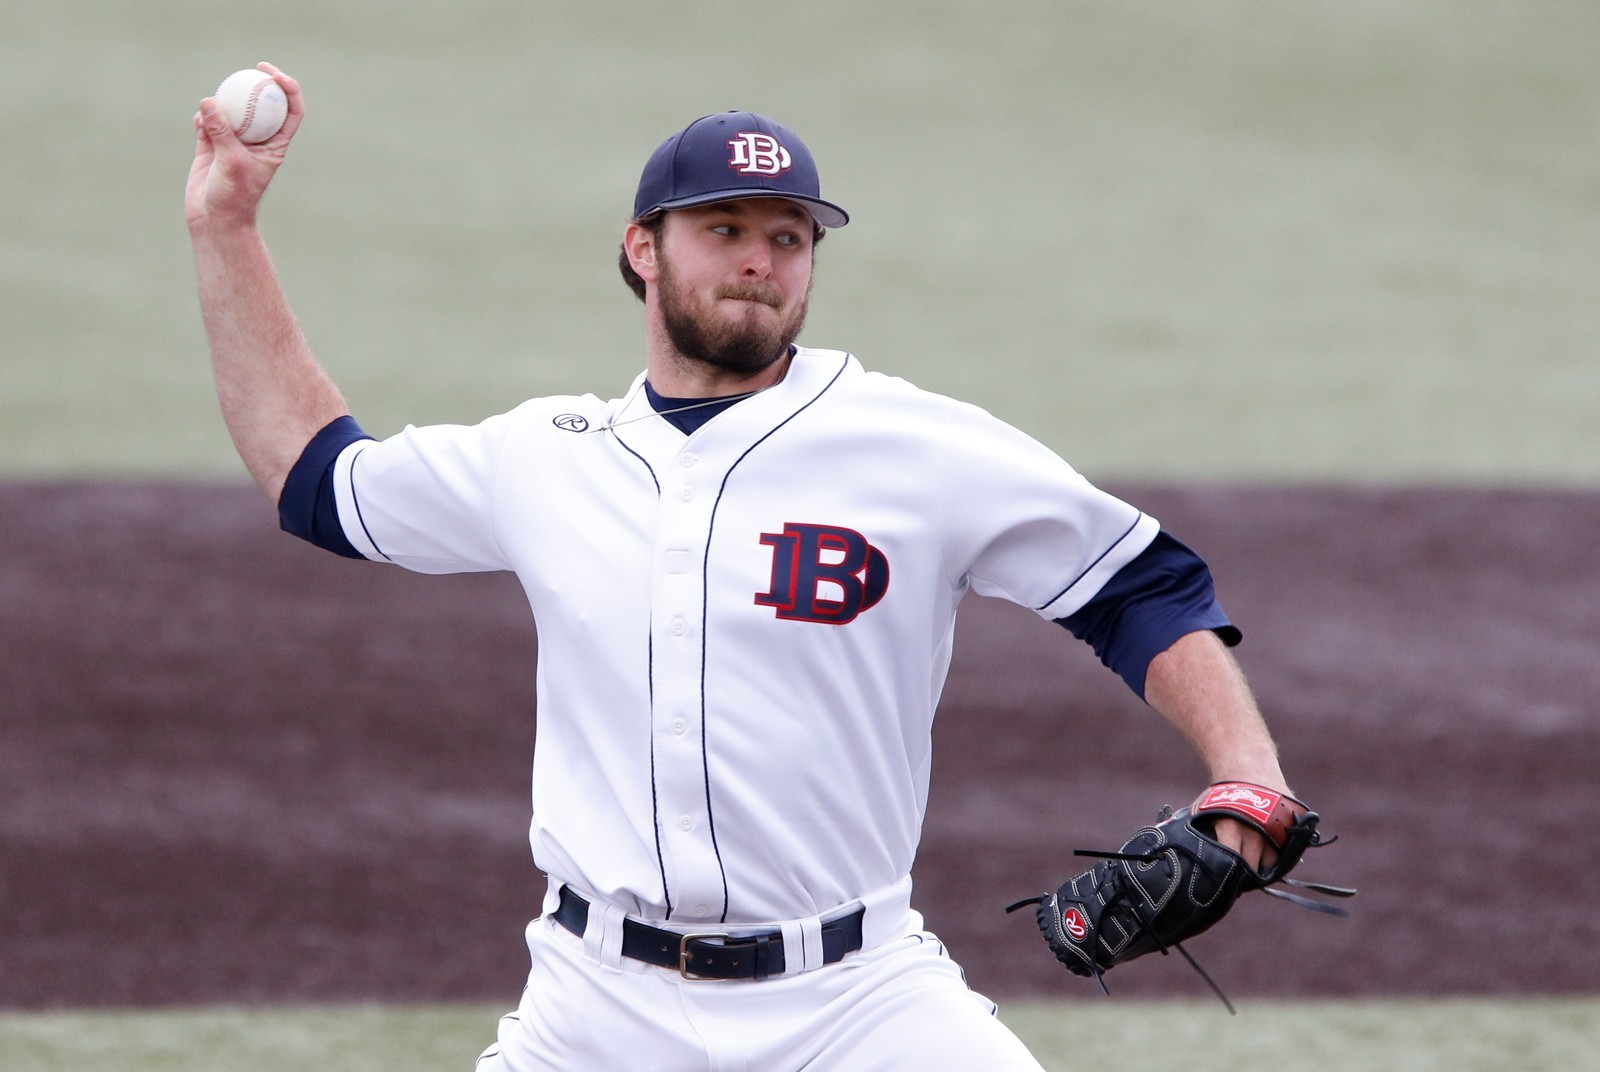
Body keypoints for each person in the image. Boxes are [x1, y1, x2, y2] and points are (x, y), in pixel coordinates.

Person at [187, 63, 1293, 1071]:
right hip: (594, 1008)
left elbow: (1138, 585)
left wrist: (1246, 772)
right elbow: (314, 480)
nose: (760, 259)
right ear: (642, 250)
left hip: (857, 1000)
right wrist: (226, 225)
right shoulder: (544, 457)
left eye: (788, 235)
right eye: (722, 228)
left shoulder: (918, 447)